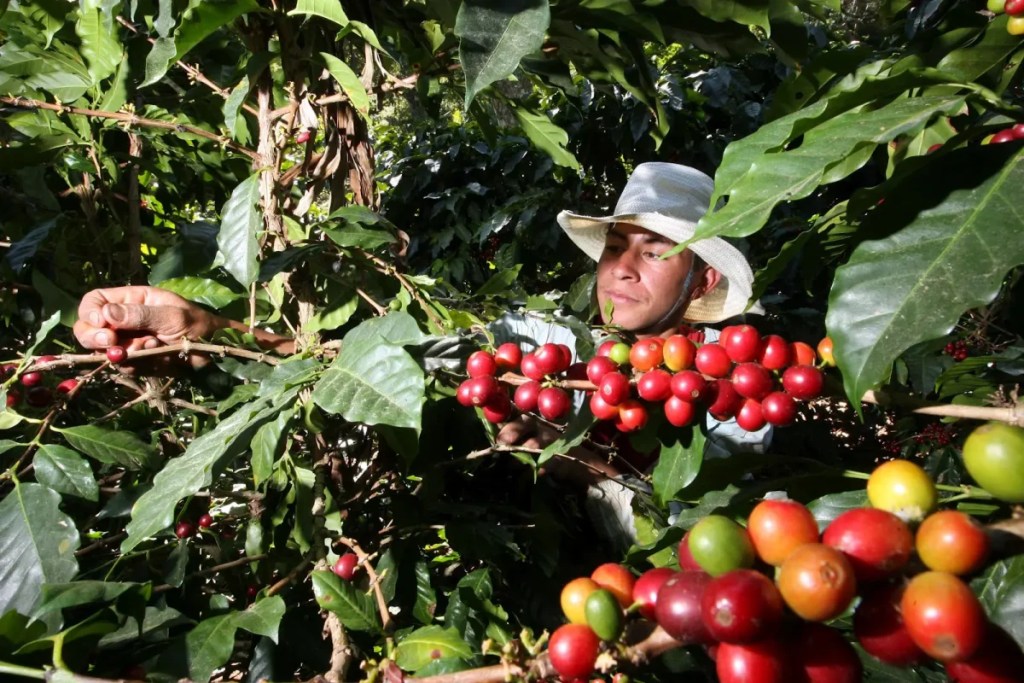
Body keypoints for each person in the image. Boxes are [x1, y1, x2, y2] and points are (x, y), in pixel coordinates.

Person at [73, 162, 766, 546]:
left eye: (655, 252)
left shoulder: (739, 381)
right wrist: (211, 331)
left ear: (704, 280)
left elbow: (707, 529)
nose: (621, 267)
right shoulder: (559, 347)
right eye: (617, 245)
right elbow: (419, 357)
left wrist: (577, 457)